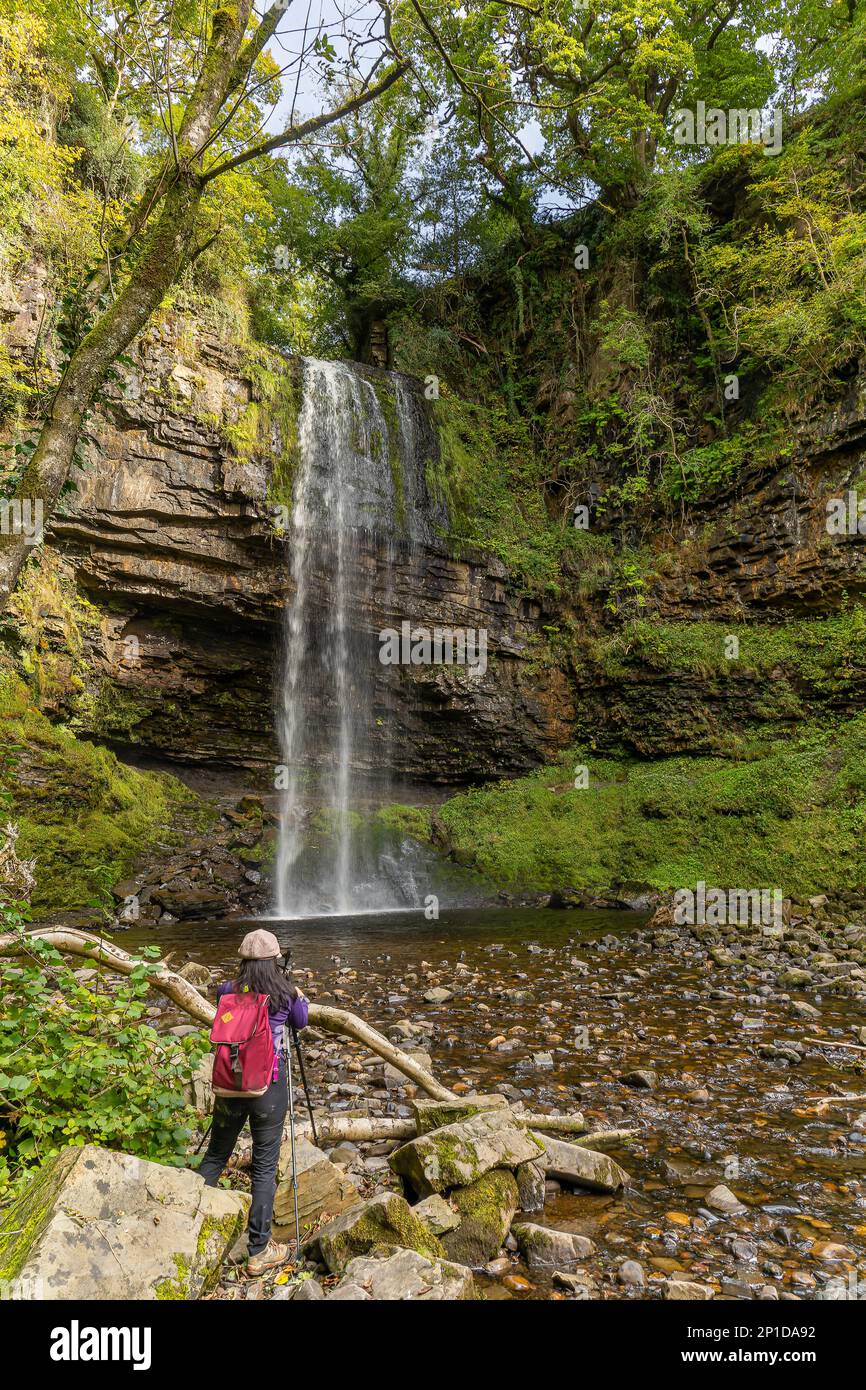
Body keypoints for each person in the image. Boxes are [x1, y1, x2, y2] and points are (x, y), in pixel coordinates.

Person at [199, 928, 308, 1276]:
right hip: (268, 1089)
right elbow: (300, 1023)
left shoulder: (226, 991)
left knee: (216, 1154)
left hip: (230, 1084)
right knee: (263, 1167)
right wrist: (299, 996)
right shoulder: (284, 993)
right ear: (274, 961)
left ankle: (189, 1224)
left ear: (243, 960)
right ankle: (258, 1251)